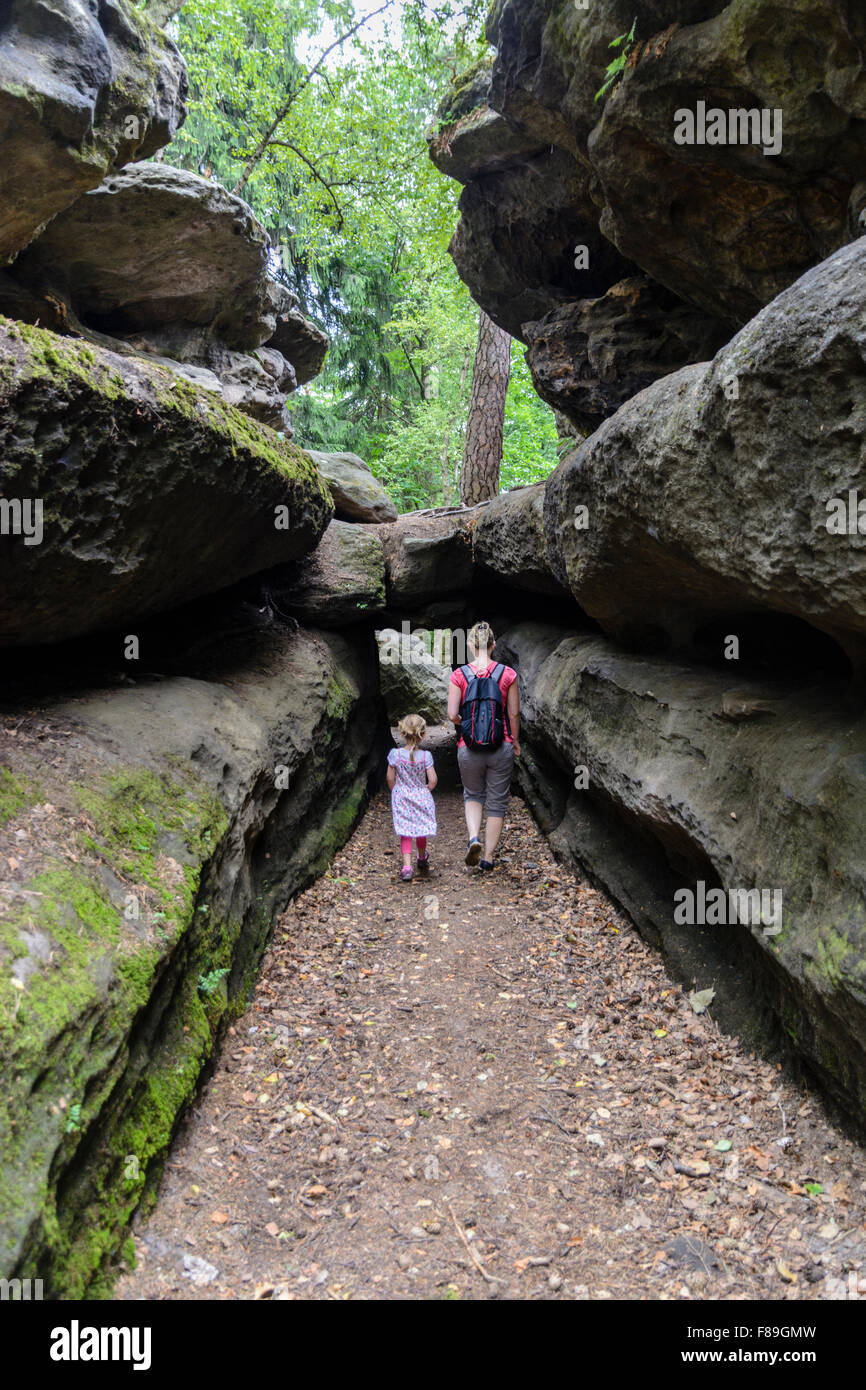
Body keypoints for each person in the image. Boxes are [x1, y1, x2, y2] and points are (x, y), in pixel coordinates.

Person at [447, 621, 520, 871]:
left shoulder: (459, 676)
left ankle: (473, 838)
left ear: (469, 645)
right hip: (501, 746)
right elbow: (513, 714)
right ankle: (488, 857)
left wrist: (465, 722)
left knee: (473, 795)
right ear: (493, 645)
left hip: (469, 748)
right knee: (497, 802)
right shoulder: (508, 674)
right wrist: (516, 740)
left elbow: (451, 714)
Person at [386, 714, 438, 882]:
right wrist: (425, 790)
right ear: (423, 735)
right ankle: (421, 858)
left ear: (402, 733)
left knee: (406, 832)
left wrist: (396, 790)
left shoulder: (396, 755)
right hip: (420, 796)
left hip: (402, 796)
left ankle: (407, 867)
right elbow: (433, 780)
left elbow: (390, 778)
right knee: (420, 828)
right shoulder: (425, 757)